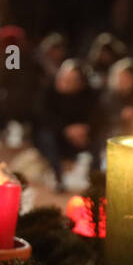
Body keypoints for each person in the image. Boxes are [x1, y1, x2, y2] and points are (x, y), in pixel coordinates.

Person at [35, 58, 101, 186]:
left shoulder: (90, 94)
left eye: (71, 81)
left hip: (83, 135)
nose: (65, 83)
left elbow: (97, 116)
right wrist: (66, 130)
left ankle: (95, 179)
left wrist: (84, 129)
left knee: (100, 139)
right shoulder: (48, 92)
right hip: (58, 134)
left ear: (80, 83)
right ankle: (57, 176)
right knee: (46, 137)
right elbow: (44, 117)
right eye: (63, 79)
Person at [99, 57, 133, 138]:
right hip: (115, 134)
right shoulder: (109, 96)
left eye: (127, 77)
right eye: (121, 77)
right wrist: (121, 116)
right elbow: (104, 119)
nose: (123, 80)